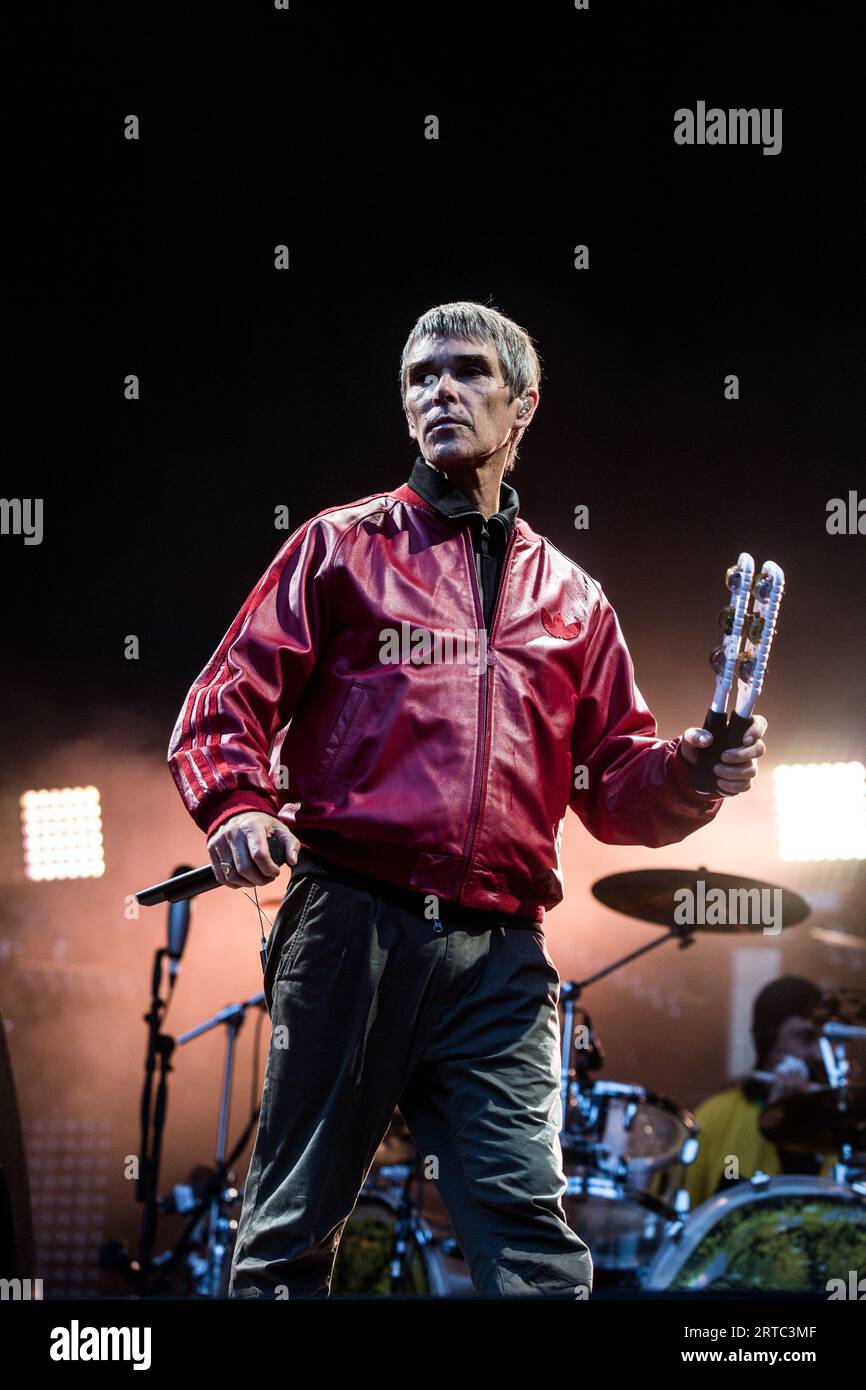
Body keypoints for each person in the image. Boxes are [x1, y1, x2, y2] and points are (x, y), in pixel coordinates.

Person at [167, 301, 766, 1298]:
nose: (436, 391)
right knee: (291, 1234)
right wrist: (234, 805)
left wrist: (696, 767)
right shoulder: (336, 547)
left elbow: (615, 785)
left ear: (521, 402)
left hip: (500, 956)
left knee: (531, 1246)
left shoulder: (572, 599)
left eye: (465, 372)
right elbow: (219, 706)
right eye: (418, 377)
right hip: (349, 922)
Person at [684, 975, 833, 1209]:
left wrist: (792, 1131)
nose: (817, 1053)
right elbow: (682, 1219)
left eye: (824, 1040)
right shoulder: (714, 1117)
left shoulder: (837, 1127)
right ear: (766, 1039)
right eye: (806, 1037)